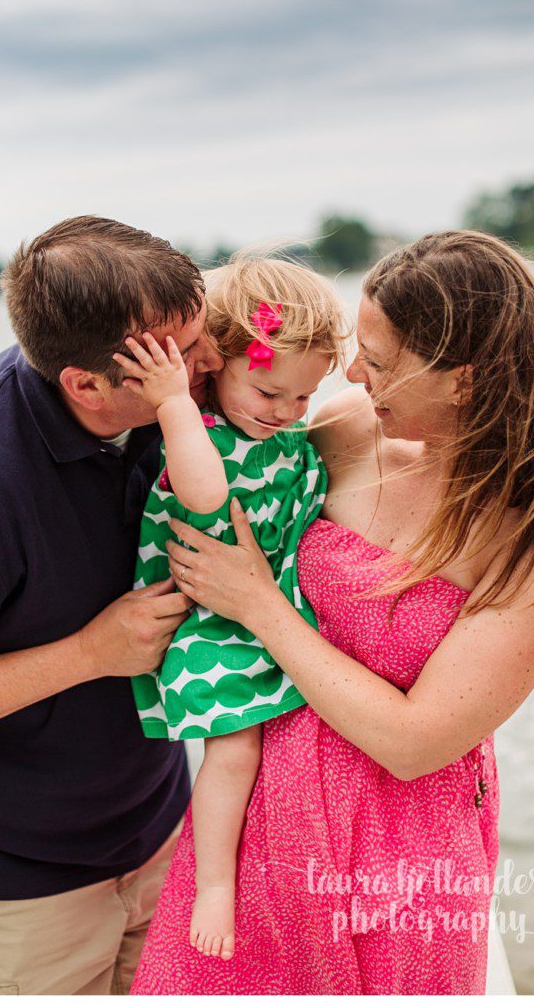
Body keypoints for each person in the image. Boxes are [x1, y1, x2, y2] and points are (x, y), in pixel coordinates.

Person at [132, 230, 534, 994]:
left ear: (462, 380)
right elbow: (235, 396)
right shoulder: (354, 427)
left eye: (381, 363)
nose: (351, 375)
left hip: (399, 857)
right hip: (255, 813)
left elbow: (415, 742)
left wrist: (261, 606)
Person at [0, 216, 223, 995]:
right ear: (85, 385)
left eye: (198, 341)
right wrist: (90, 654)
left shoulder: (170, 408)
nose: (206, 366)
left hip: (163, 825)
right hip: (19, 878)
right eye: (177, 358)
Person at [118, 258, 347, 960]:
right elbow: (206, 498)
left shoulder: (276, 435)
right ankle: (215, 883)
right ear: (216, 364)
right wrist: (173, 404)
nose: (284, 412)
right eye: (269, 390)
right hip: (210, 628)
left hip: (267, 614)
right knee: (237, 747)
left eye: (303, 398)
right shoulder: (203, 442)